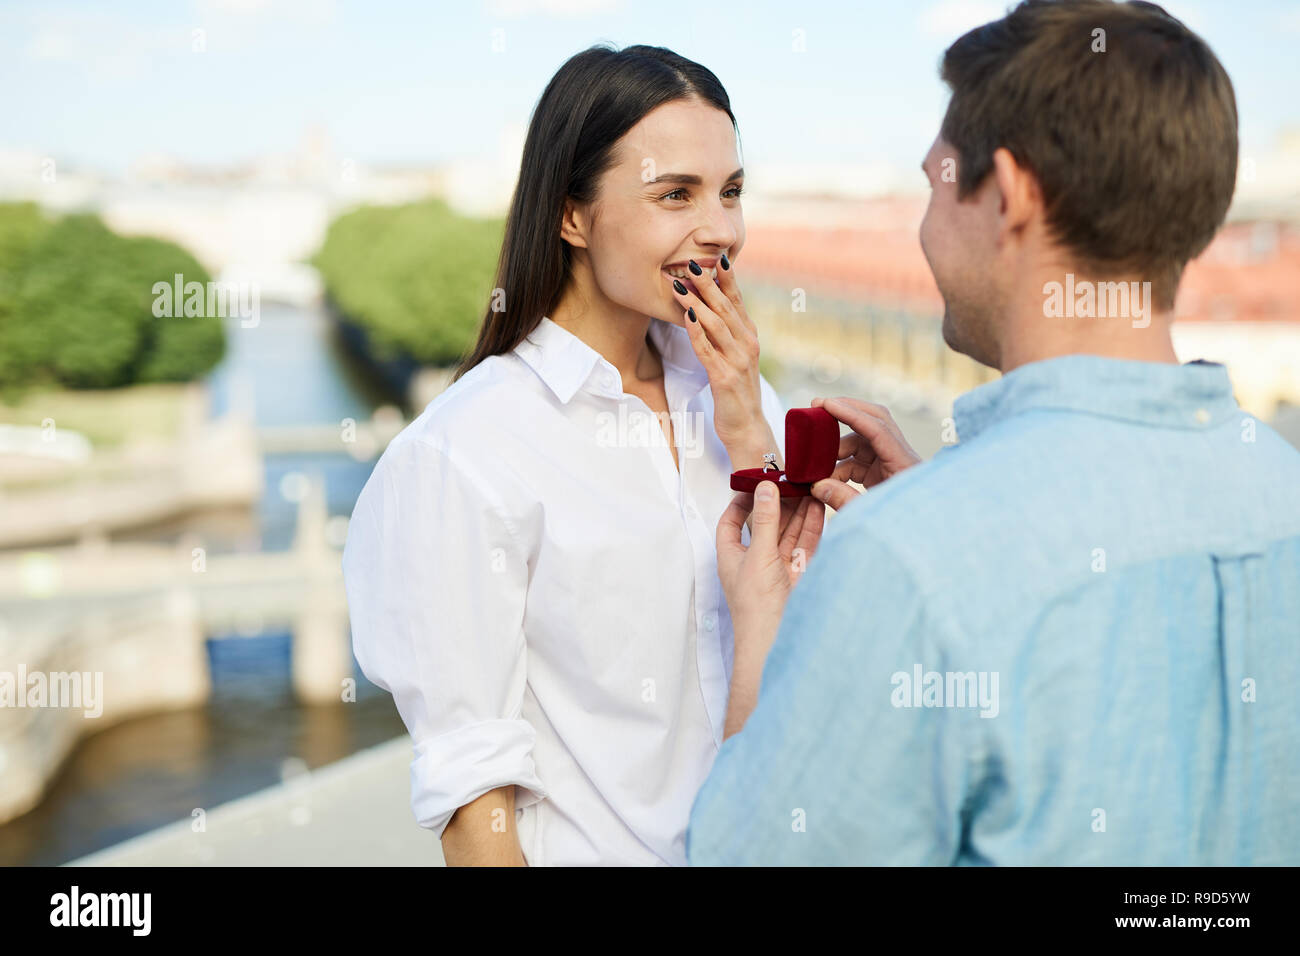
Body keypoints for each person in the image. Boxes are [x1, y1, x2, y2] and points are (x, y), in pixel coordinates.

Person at [688, 0, 1300, 865]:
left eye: (934, 184)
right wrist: (943, 514)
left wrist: (763, 637)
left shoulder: (907, 564)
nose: (924, 225)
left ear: (1008, 196)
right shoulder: (1282, 491)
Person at [342, 43, 823, 866]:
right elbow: (474, 804)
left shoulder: (742, 404)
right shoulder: (464, 453)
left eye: (731, 191)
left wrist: (751, 434)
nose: (722, 231)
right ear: (572, 215)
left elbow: (810, 652)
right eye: (676, 194)